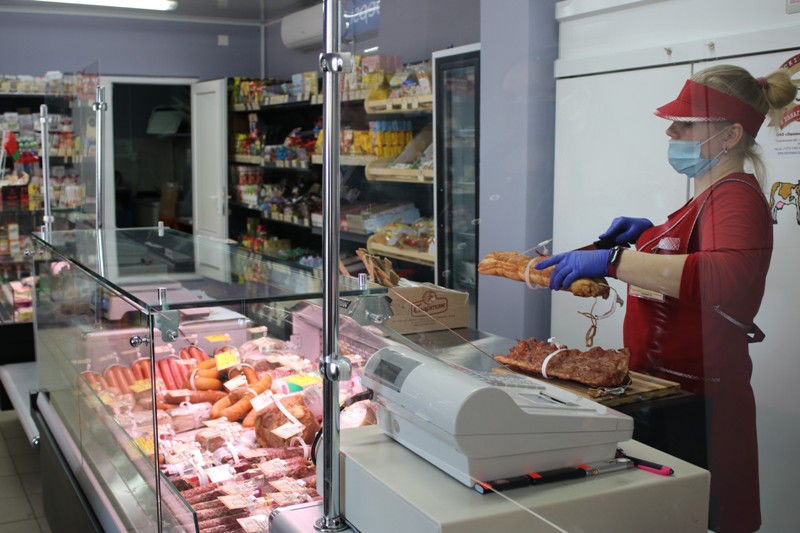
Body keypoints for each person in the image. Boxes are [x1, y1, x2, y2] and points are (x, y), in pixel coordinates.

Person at [536, 65, 797, 533]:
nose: (671, 131)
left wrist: (616, 260)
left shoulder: (734, 197)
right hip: (664, 392)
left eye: (687, 123)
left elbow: (723, 276)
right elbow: (687, 264)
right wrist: (650, 237)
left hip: (699, 405)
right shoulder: (707, 198)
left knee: (687, 518)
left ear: (731, 135)